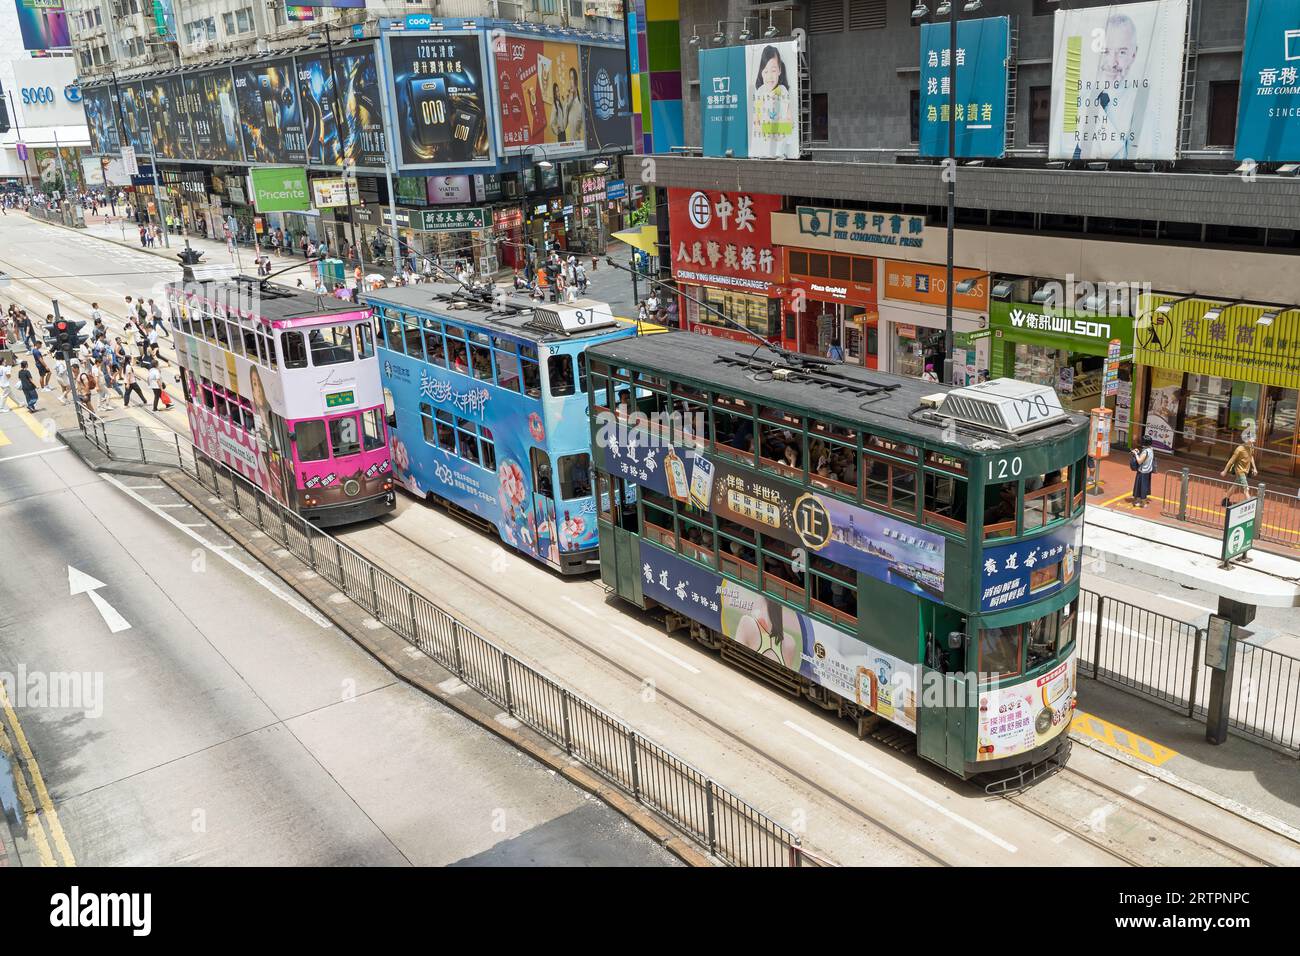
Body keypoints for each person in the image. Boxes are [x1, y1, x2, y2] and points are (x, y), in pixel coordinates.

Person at [750, 45, 796, 158]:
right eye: (765, 71)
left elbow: (789, 124)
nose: (770, 76)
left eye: (773, 70)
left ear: (780, 70)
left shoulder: (782, 91)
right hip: (761, 149)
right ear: (761, 72)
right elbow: (756, 123)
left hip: (778, 149)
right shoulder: (760, 92)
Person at [1220, 438, 1258, 507]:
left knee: (1235, 485)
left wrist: (1254, 468)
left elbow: (1251, 456)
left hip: (1245, 470)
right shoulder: (1239, 449)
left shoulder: (1251, 446)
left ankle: (1225, 500)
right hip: (1240, 471)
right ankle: (1251, 506)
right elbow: (1231, 461)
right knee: (1246, 488)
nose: (1254, 438)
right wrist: (1225, 471)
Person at [1130, 437, 1155, 508]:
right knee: (1143, 486)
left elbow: (1139, 461)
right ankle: (1139, 501)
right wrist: (1138, 452)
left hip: (1142, 472)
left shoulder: (1145, 451)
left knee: (1141, 487)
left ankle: (1143, 503)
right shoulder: (1151, 449)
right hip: (1148, 471)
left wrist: (1135, 454)